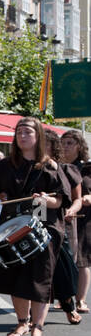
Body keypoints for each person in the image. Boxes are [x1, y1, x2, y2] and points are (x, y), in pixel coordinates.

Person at [0, 118, 70, 336]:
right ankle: (22, 322)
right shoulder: (6, 166)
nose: (22, 136)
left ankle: (38, 328)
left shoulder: (50, 166)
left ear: (38, 136)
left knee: (39, 279)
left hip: (44, 228)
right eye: (19, 132)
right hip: (12, 227)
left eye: (27, 132)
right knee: (16, 278)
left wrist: (45, 199)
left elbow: (59, 201)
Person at [60, 130, 91, 314]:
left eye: (70, 143)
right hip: (62, 218)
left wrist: (89, 198)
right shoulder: (58, 167)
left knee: (82, 259)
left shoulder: (87, 168)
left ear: (79, 146)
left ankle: (80, 300)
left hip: (85, 218)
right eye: (63, 143)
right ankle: (65, 296)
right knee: (64, 258)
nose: (65, 146)